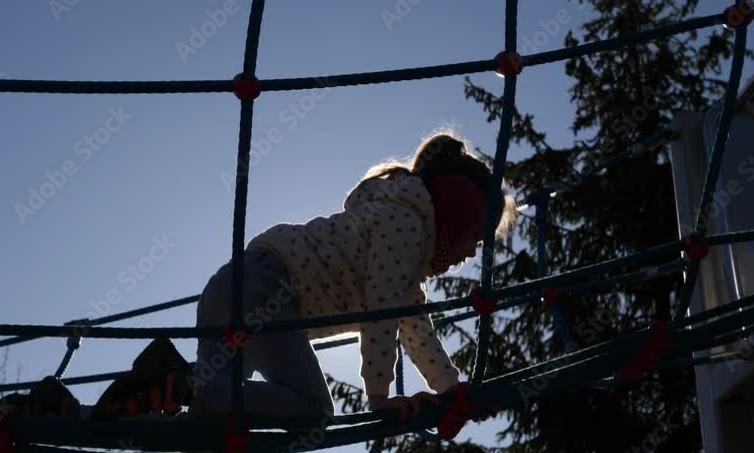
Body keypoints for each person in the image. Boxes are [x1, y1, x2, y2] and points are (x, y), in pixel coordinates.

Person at [184, 130, 517, 422]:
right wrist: (379, 398)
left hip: (232, 288)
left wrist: (451, 390)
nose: (473, 253)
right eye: (474, 238)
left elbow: (415, 329)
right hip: (265, 291)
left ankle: (169, 382)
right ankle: (198, 391)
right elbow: (382, 309)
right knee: (312, 408)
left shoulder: (402, 241)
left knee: (218, 415)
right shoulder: (406, 224)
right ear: (455, 217)